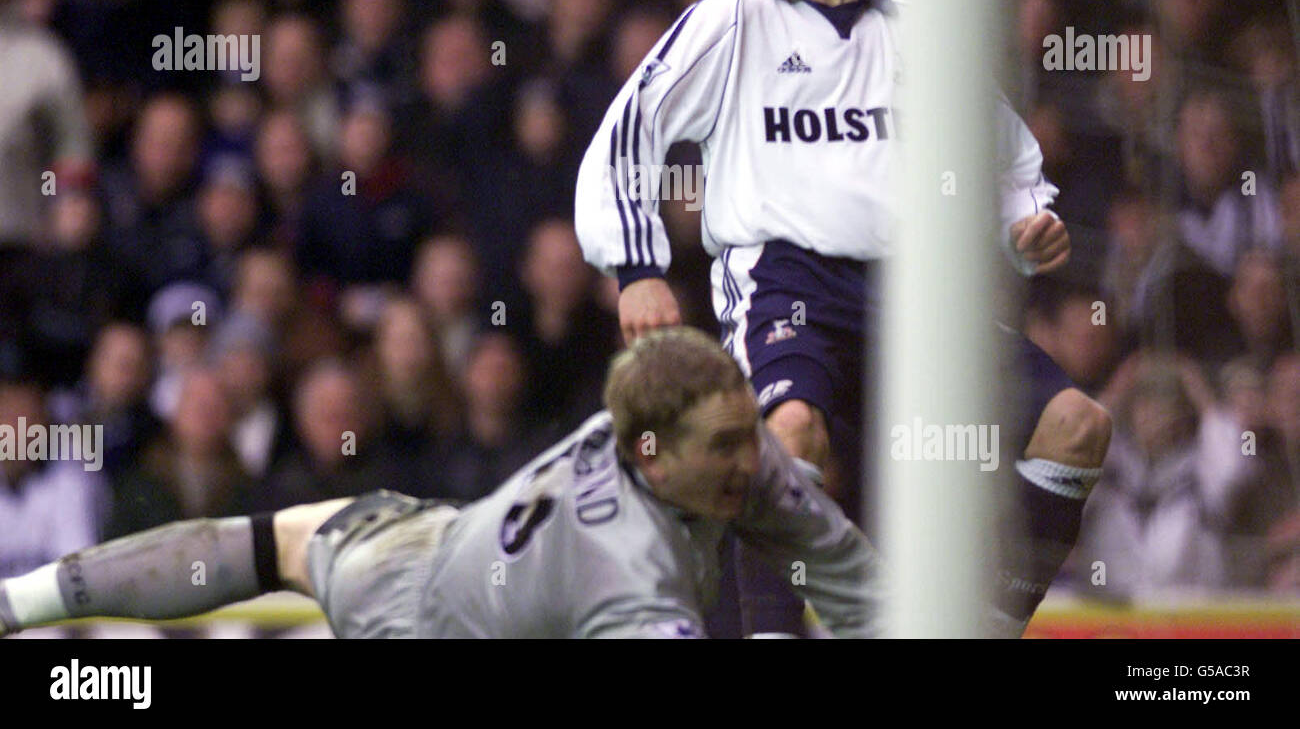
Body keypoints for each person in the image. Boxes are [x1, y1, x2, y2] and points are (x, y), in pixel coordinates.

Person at [573, 0, 1111, 635]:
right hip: (790, 281)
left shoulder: (917, 32)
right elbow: (626, 137)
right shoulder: (733, 21)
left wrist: (1024, 222)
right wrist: (638, 266)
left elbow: (1007, 159)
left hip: (916, 291)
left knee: (1077, 425)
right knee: (785, 436)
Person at [0, 327, 884, 639]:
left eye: (748, 437)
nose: (750, 462)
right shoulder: (632, 581)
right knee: (273, 548)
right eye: (724, 448)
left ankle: (14, 604)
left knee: (274, 542)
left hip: (437, 537)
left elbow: (866, 597)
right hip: (409, 620)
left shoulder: (719, 445)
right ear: (650, 454)